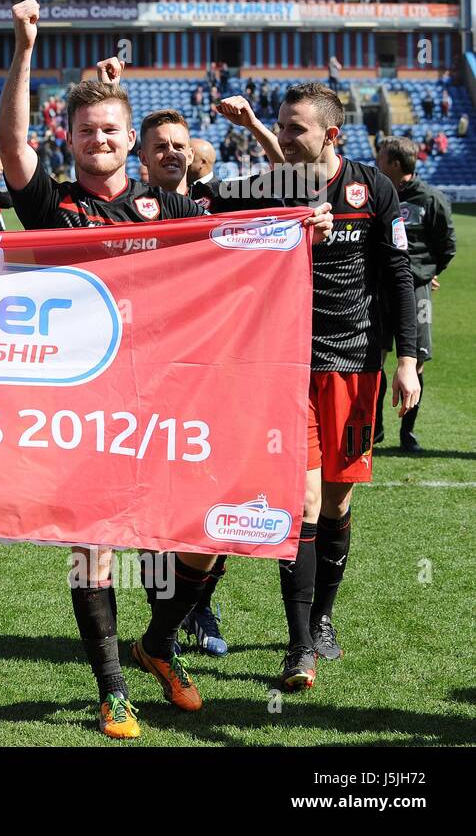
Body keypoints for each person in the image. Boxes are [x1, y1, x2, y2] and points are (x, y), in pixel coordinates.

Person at [4, 5, 329, 740]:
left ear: (130, 141)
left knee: (211, 531)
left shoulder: (170, 203)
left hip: (171, 394)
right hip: (85, 398)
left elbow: (265, 212)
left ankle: (158, 642)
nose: (98, 140)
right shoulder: (51, 204)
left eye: (110, 131)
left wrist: (296, 221)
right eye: (86, 131)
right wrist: (24, 51)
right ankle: (113, 688)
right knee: (96, 545)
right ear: (73, 139)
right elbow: (13, 142)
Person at [210, 86, 421, 689]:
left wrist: (407, 360)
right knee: (300, 505)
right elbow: (207, 210)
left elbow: (400, 276)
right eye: (280, 127)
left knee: (337, 504)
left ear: (330, 135)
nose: (285, 137)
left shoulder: (372, 190)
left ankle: (323, 617)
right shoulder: (280, 188)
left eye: (294, 128)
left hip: (355, 366)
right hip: (289, 366)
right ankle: (300, 648)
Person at [372, 137, 457, 452]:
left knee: (416, 362)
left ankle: (407, 433)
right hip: (379, 288)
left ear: (395, 163)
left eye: (380, 158)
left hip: (416, 289)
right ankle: (375, 426)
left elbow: (446, 245)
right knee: (373, 359)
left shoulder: (430, 198)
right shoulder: (377, 194)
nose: (376, 163)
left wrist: (429, 272)